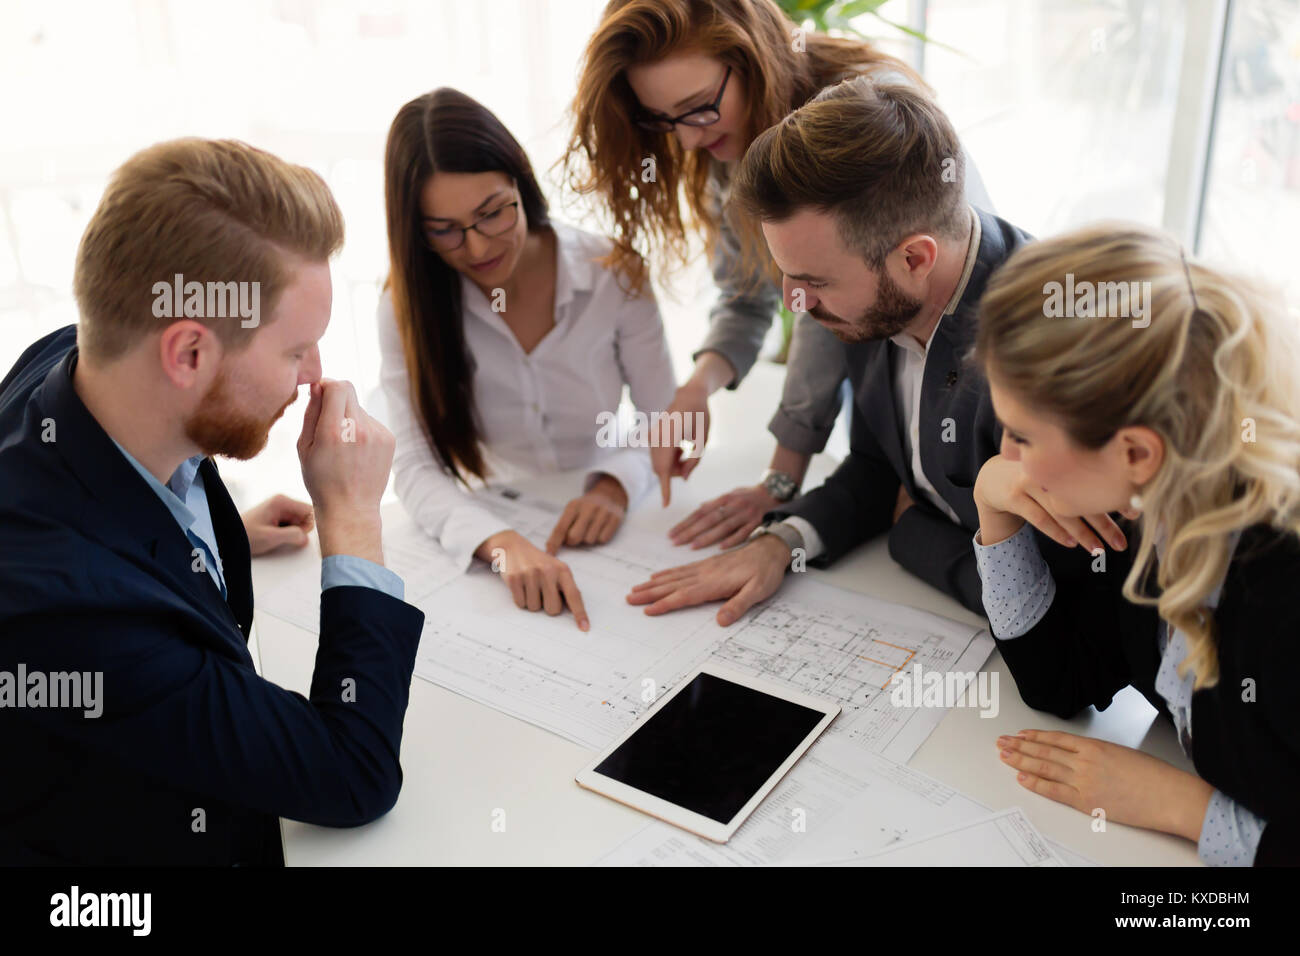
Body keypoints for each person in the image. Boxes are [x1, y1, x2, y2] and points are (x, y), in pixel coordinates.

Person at [0, 139, 425, 865]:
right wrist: (351, 518)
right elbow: (351, 774)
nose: (313, 376)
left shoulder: (79, 358)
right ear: (189, 353)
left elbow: (111, 513)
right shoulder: (78, 614)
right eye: (295, 351)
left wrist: (201, 540)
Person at [627, 78, 1122, 622]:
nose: (796, 304)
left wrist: (909, 534)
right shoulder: (873, 303)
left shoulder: (1054, 349)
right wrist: (781, 544)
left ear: (914, 258)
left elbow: (1067, 612)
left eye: (814, 282)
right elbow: (876, 468)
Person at [564, 0, 992, 546]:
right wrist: (698, 387)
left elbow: (825, 309)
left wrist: (780, 479)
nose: (689, 140)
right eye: (663, 121)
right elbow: (746, 297)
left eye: (697, 108)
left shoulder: (868, 115)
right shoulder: (727, 137)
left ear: (750, 57)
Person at [970, 223, 1300, 865]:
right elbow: (1059, 679)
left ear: (1136, 451)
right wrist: (994, 510)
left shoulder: (1281, 593)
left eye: (1023, 438)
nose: (1007, 456)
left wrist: (1179, 806)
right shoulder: (1143, 507)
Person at [379, 89, 675, 630]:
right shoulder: (404, 306)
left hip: (619, 521)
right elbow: (415, 467)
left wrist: (614, 485)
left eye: (492, 212)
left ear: (521, 182)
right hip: (493, 519)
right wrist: (499, 544)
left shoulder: (614, 270)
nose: (476, 248)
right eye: (444, 230)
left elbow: (662, 415)